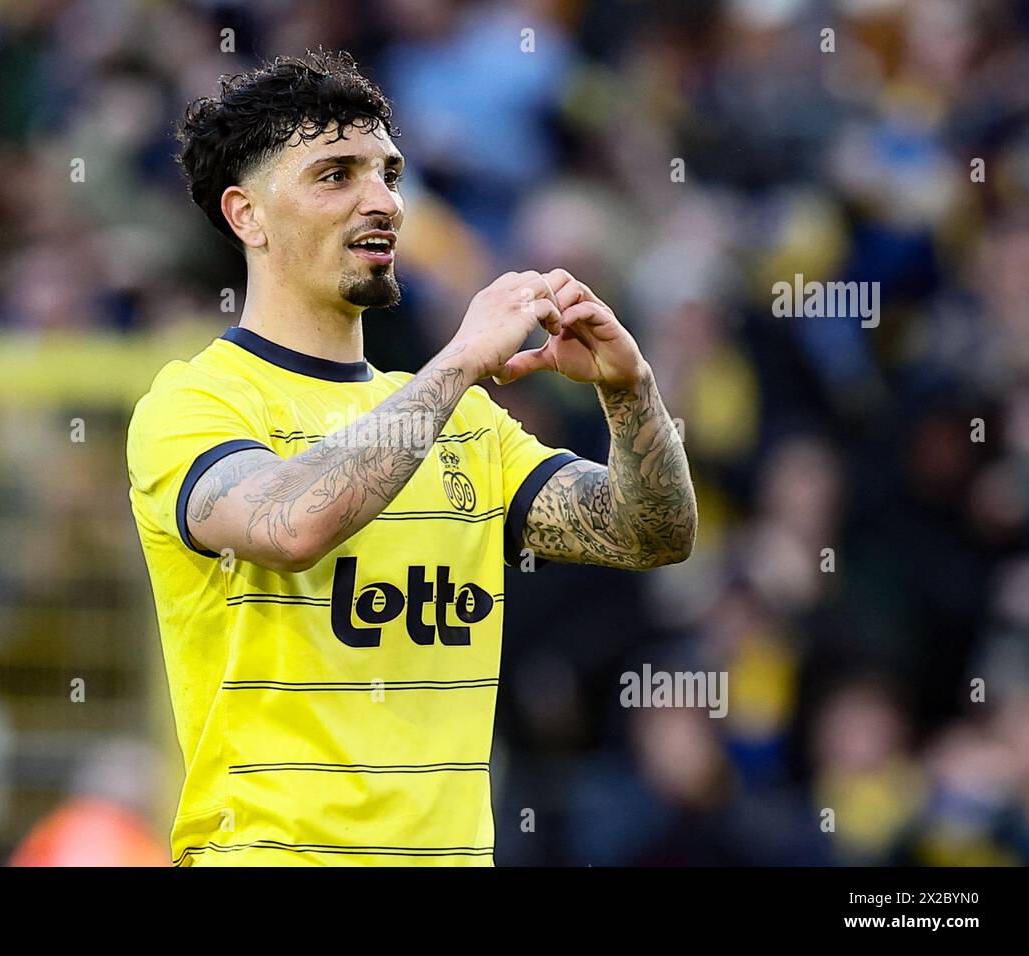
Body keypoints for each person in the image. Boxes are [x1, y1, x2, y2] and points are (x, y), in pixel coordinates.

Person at [127, 49, 697, 866]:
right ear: (247, 215)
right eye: (336, 175)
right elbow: (291, 525)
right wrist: (459, 359)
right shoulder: (196, 402)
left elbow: (650, 535)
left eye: (389, 172)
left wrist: (631, 389)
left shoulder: (465, 424)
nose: (383, 201)